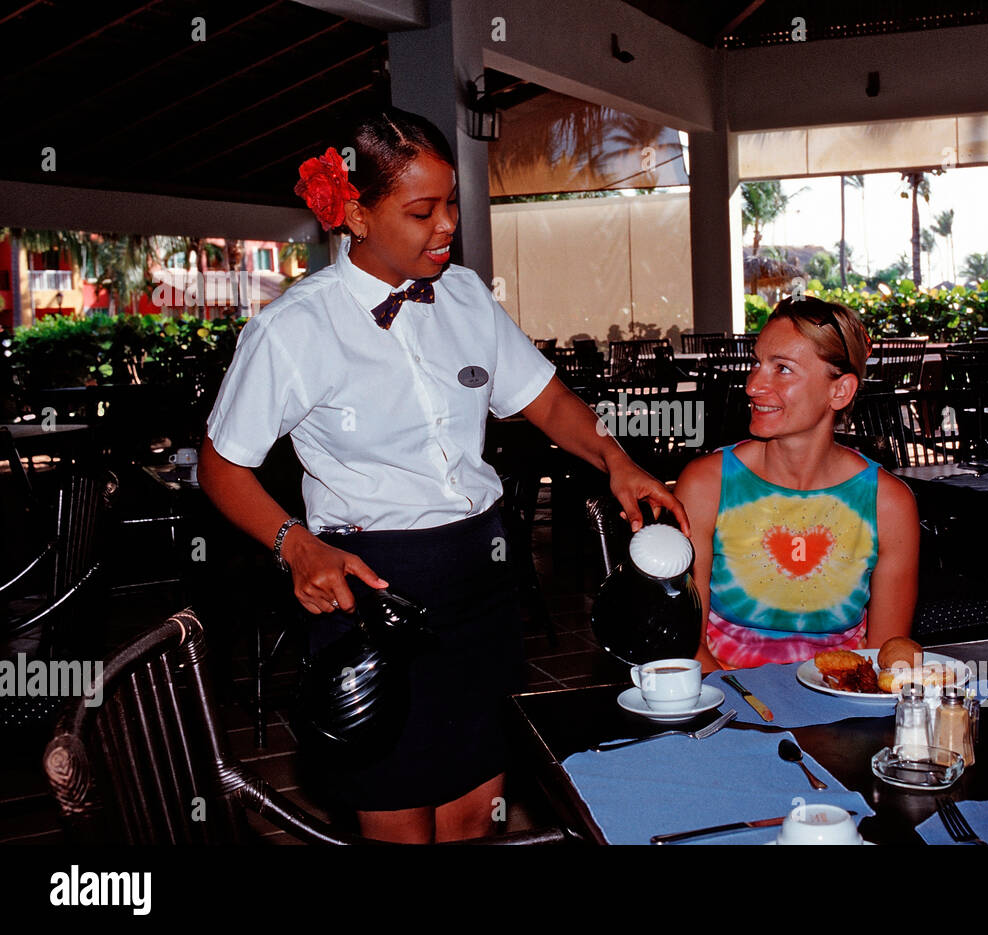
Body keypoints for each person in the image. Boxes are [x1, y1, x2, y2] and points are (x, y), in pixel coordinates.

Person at [199, 109, 688, 843]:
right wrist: (294, 544)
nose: (447, 226)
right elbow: (220, 463)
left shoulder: (462, 295)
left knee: (473, 809)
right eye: (422, 210)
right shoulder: (294, 327)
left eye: (451, 202)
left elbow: (546, 398)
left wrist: (614, 458)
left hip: (480, 579)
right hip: (372, 588)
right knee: (396, 809)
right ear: (357, 215)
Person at [674, 297, 919, 672]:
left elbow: (885, 656)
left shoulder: (887, 503)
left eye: (782, 369)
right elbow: (691, 648)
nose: (753, 385)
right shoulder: (707, 484)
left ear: (840, 391)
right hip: (727, 698)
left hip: (841, 700)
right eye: (756, 363)